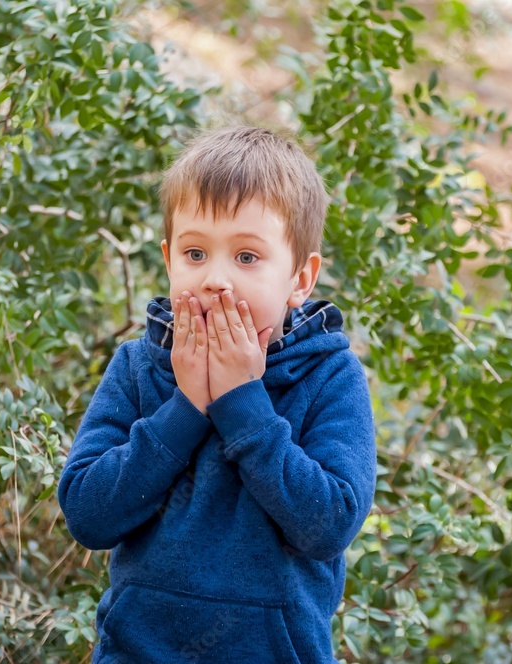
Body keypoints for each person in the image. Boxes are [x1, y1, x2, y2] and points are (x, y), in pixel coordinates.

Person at [57, 124, 378, 663]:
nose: (215, 280)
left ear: (301, 279)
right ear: (168, 260)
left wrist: (242, 403)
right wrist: (185, 408)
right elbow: (89, 516)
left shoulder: (330, 377)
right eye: (196, 253)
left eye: (247, 257)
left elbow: (329, 524)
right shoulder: (139, 367)